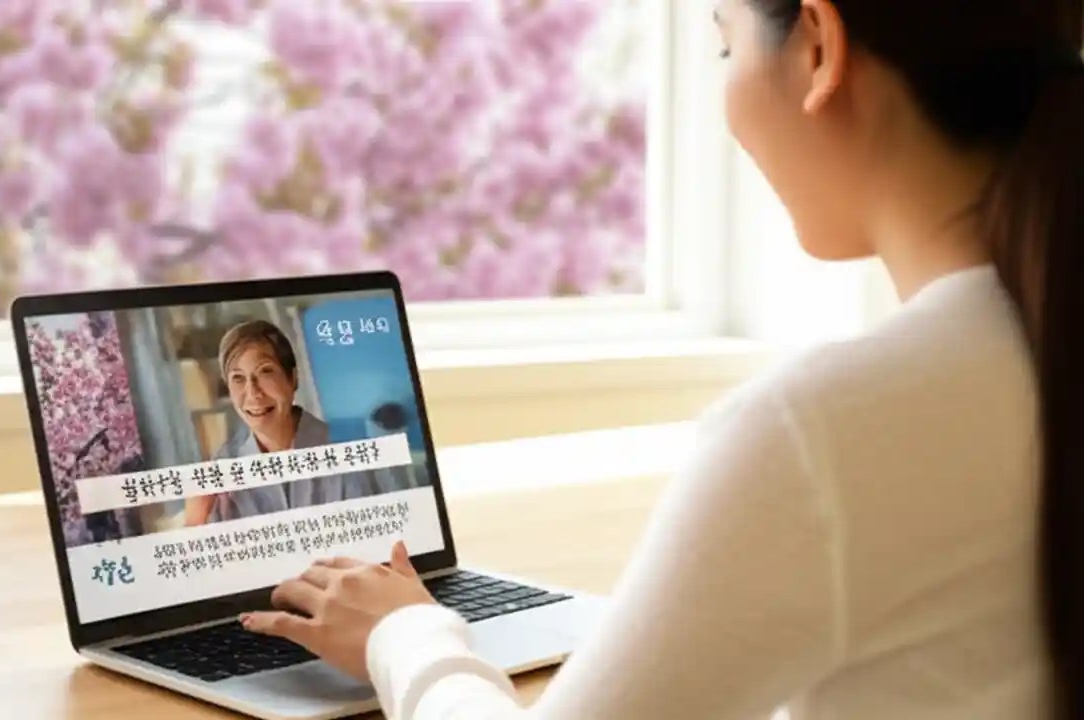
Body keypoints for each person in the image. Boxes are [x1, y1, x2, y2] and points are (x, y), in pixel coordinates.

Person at [238, 1, 1084, 718]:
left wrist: (403, 634)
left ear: (819, 49)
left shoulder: (828, 428)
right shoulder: (1029, 346)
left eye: (724, 44)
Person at [184, 320, 379, 525]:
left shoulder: (351, 451)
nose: (253, 393)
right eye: (238, 378)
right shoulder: (221, 474)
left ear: (292, 378)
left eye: (265, 372)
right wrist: (194, 521)